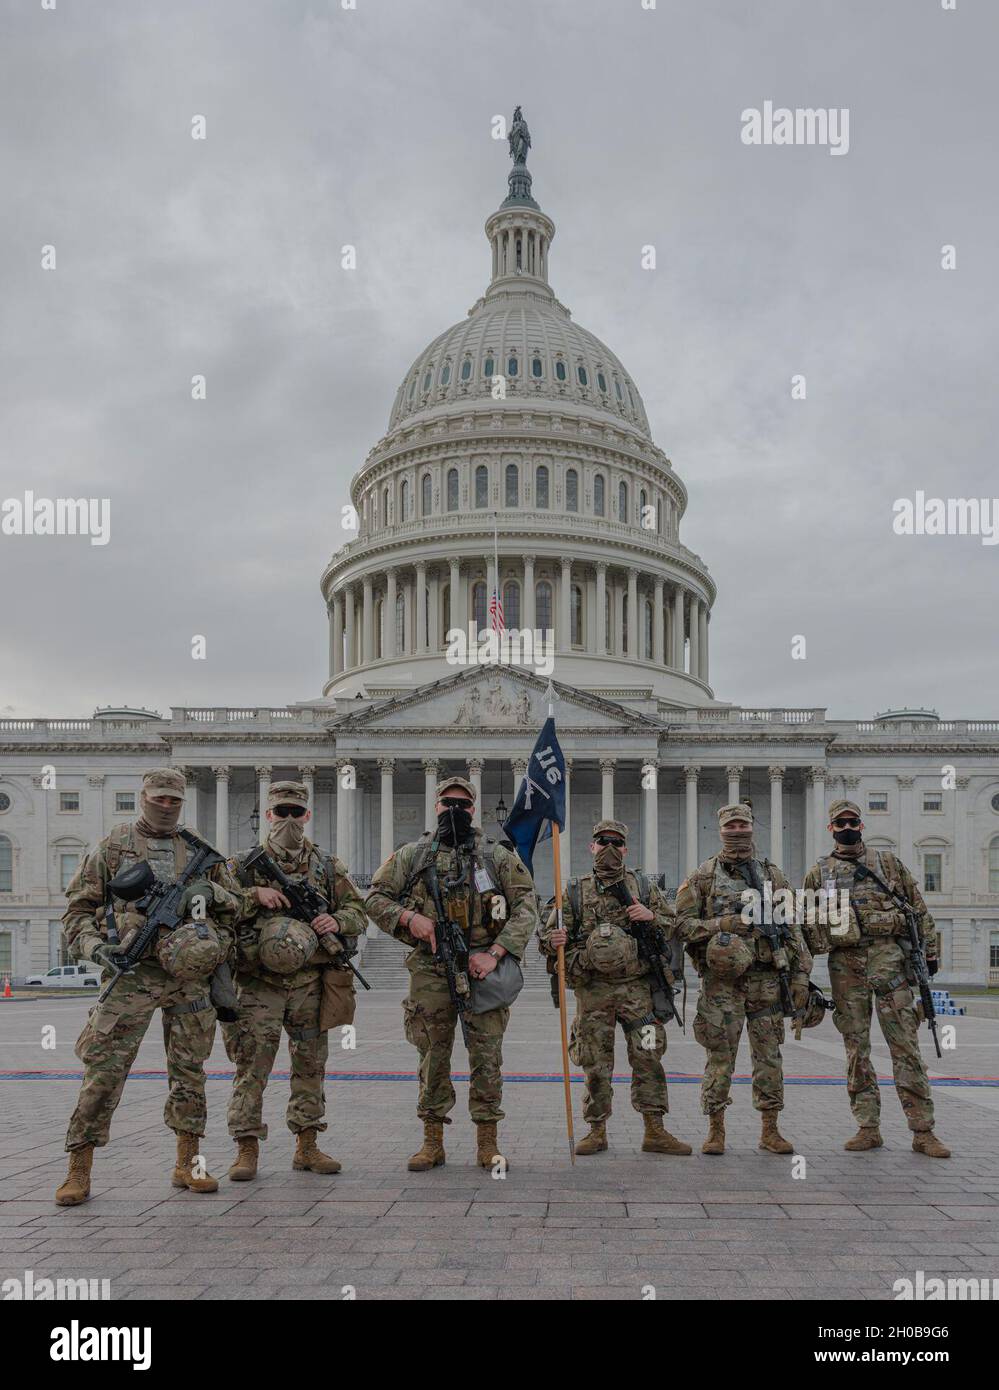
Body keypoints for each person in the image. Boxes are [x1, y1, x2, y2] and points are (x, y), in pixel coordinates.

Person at [56, 768, 247, 1205]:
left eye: (173, 800)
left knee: (189, 1074)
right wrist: (95, 948)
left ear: (182, 802)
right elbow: (78, 911)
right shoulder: (114, 845)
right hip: (132, 975)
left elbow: (237, 906)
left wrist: (212, 894)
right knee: (103, 1072)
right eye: (158, 798)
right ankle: (79, 1166)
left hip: (189, 977)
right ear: (143, 796)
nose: (165, 806)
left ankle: (189, 1163)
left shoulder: (201, 852)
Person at [365, 776, 538, 1170]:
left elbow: (527, 903)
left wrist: (496, 952)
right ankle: (432, 1140)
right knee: (432, 1054)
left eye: (462, 804)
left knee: (487, 1056)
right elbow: (374, 898)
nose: (454, 811)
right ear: (436, 807)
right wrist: (410, 919)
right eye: (447, 804)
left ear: (473, 809)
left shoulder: (496, 857)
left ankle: (487, 1142)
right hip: (431, 966)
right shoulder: (413, 855)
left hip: (481, 966)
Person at [222, 780, 369, 1180]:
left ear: (308, 815)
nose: (288, 819)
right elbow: (214, 907)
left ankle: (307, 1145)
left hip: (309, 982)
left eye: (296, 812)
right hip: (258, 983)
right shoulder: (240, 866)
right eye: (281, 811)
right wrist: (255, 897)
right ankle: (246, 1148)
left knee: (310, 1066)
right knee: (252, 1067)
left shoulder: (326, 865)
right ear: (268, 815)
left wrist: (335, 920)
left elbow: (359, 910)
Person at [801, 799, 950, 1157]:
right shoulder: (818, 872)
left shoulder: (888, 863)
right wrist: (800, 971)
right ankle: (867, 1127)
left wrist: (930, 953)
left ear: (861, 825)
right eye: (840, 823)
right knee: (856, 1049)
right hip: (845, 966)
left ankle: (923, 1130)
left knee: (906, 1047)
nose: (847, 827)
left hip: (889, 961)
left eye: (853, 821)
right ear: (831, 829)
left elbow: (917, 907)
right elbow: (804, 923)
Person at [538, 819, 691, 1157]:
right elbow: (547, 935)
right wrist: (554, 940)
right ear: (591, 847)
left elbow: (674, 925)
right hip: (594, 993)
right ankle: (596, 1131)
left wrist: (650, 916)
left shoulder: (644, 888)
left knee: (649, 1057)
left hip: (639, 993)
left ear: (626, 848)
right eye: (602, 841)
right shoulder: (574, 891)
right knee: (594, 1062)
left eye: (616, 842)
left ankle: (655, 1130)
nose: (609, 848)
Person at [675, 803, 812, 1155]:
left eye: (744, 824)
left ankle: (770, 1129)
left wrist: (800, 975)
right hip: (723, 985)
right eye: (731, 825)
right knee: (720, 1058)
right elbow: (681, 926)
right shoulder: (702, 877)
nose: (738, 830)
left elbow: (792, 928)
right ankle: (716, 1129)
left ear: (753, 828)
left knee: (769, 1059)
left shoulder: (772, 876)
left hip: (767, 982)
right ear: (721, 830)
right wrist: (721, 925)